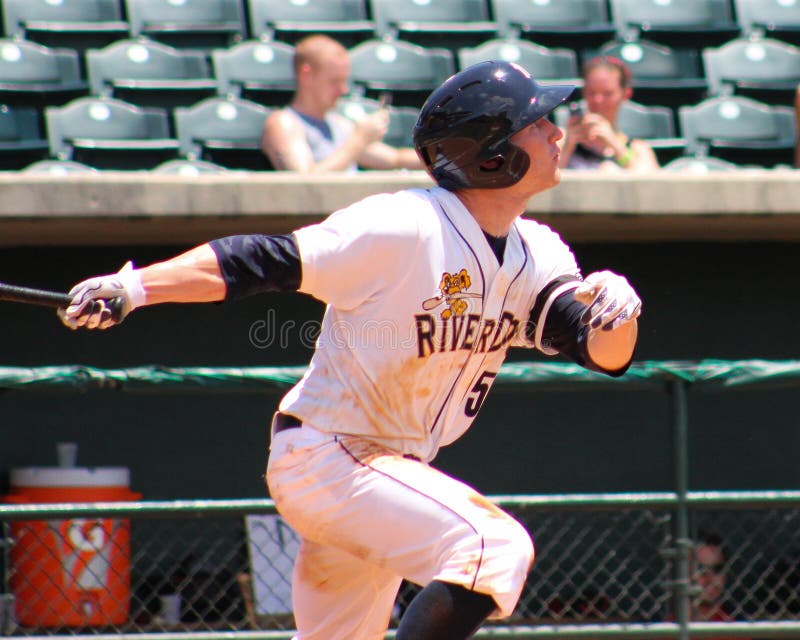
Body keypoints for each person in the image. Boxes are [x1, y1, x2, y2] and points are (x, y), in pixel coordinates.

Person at [59, 61, 642, 640]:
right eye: (537, 123)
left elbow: (604, 353)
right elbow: (257, 259)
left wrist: (618, 308)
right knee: (491, 546)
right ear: (494, 154)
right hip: (328, 456)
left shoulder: (536, 251)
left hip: (388, 471)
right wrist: (132, 287)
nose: (557, 133)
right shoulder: (402, 224)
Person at [261, 34, 422, 173]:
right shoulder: (284, 123)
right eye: (334, 82)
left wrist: (440, 156)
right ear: (307, 75)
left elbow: (395, 159)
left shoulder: (339, 125)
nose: (343, 90)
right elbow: (305, 183)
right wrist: (358, 141)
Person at [559, 55, 660, 172]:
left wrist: (616, 145)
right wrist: (567, 148)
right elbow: (542, 182)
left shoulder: (637, 148)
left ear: (626, 94)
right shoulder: (560, 139)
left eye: (607, 94)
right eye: (591, 93)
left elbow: (651, 184)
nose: (598, 100)